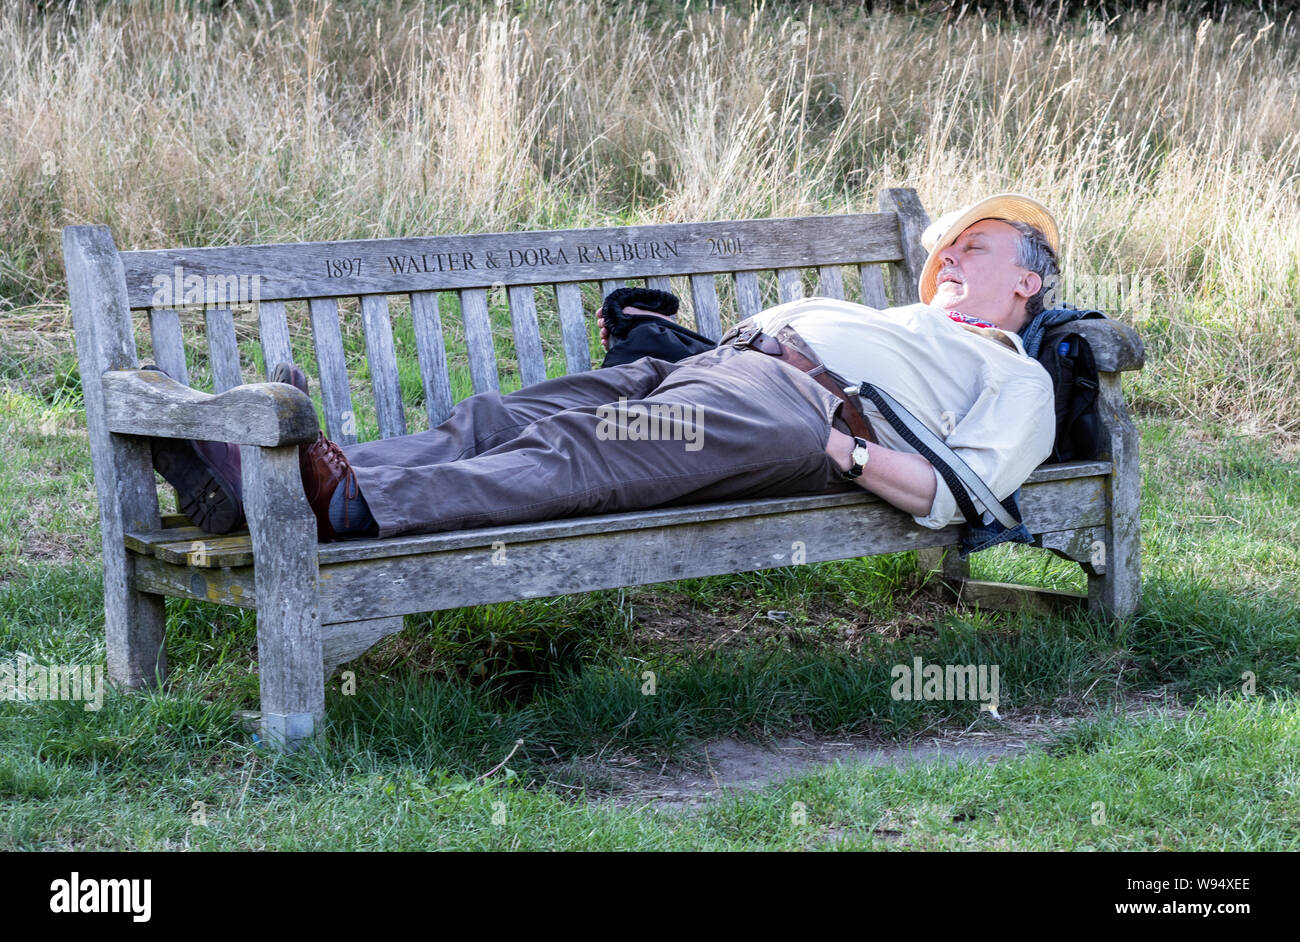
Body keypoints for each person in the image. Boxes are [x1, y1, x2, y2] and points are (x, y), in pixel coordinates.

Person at [153, 193, 1061, 544]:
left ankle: (353, 506)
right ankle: (273, 484)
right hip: (715, 369)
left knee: (584, 452)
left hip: (790, 413)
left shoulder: (1016, 378)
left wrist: (842, 452)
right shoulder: (900, 317)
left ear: (1029, 277)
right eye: (941, 250)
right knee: (496, 422)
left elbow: (955, 493)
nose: (946, 258)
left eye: (971, 247)